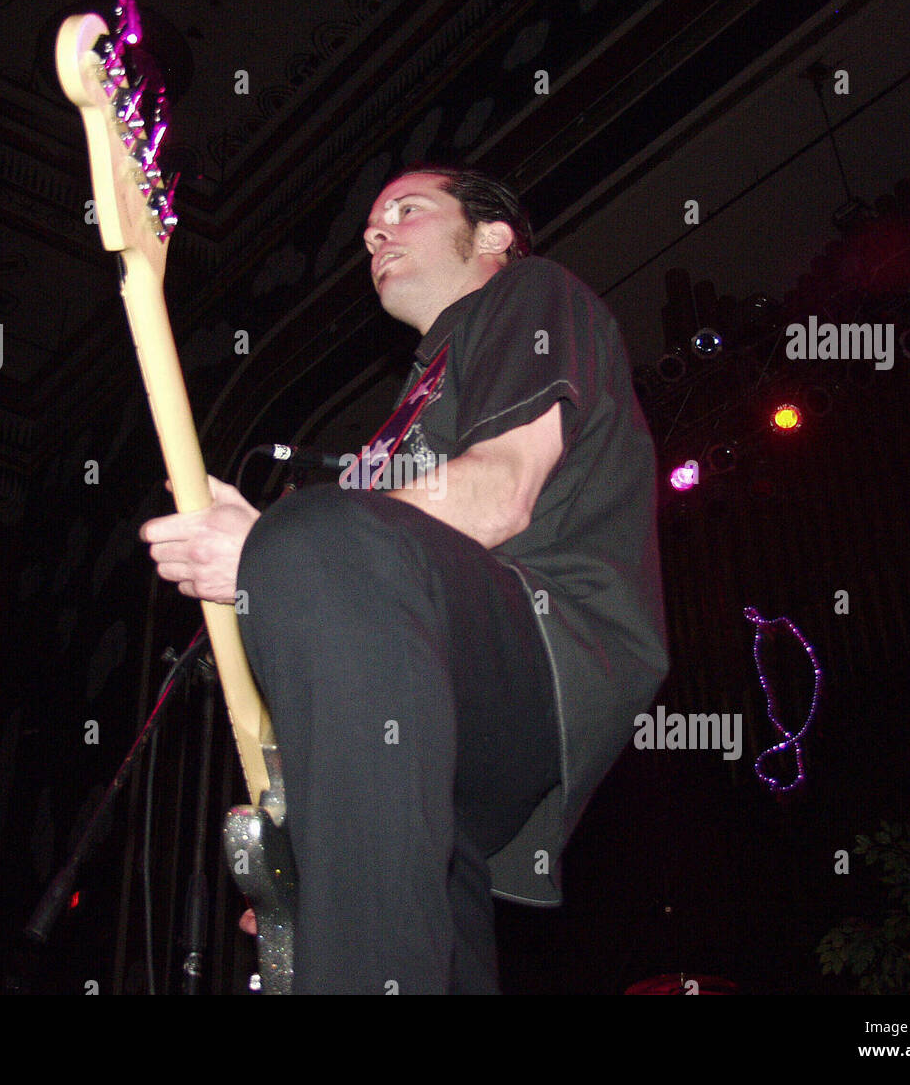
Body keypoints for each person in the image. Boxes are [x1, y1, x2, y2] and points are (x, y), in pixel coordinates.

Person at [140, 166, 668, 993]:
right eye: (369, 227)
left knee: (319, 533)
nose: (376, 234)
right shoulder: (408, 407)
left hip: (536, 641)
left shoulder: (530, 291)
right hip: (424, 716)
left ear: (492, 234)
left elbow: (498, 494)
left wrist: (277, 545)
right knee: (411, 925)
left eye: (407, 211)